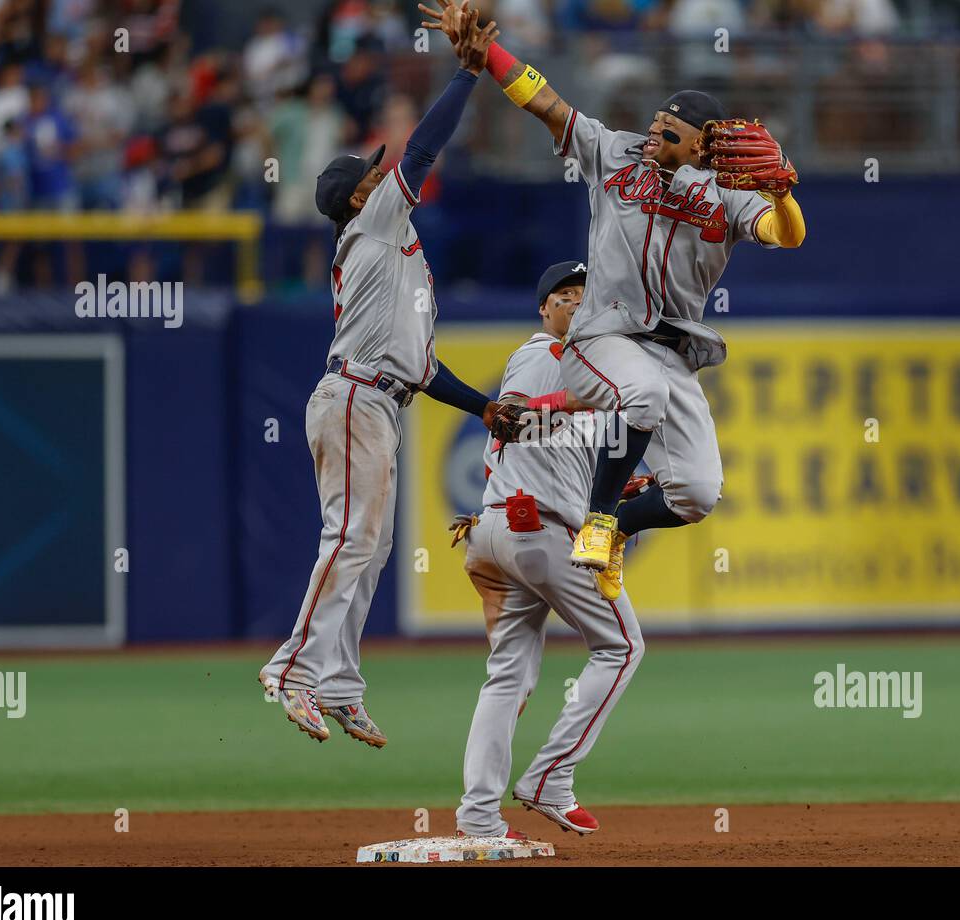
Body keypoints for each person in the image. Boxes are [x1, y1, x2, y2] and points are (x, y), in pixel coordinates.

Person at [422, 0, 807, 603]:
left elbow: (788, 235)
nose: (655, 132)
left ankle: (619, 526)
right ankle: (598, 519)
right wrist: (486, 54)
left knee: (698, 493)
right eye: (655, 121)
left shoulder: (728, 198)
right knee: (642, 394)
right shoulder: (614, 151)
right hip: (605, 337)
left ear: (703, 146)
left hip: (673, 354)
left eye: (669, 129)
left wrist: (782, 195)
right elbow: (543, 100)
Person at [259, 10, 520, 747]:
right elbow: (425, 149)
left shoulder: (394, 250)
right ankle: (291, 670)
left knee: (367, 547)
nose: (384, 172)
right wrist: (469, 71)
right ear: (355, 198)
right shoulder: (371, 224)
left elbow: (425, 369)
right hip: (353, 397)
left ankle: (338, 682)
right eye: (372, 173)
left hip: (380, 397)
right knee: (349, 538)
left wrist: (483, 409)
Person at [453, 260, 646, 839]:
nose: (575, 305)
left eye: (585, 298)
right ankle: (550, 780)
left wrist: (618, 485)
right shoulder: (545, 355)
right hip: (532, 532)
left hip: (501, 529)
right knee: (621, 647)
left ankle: (479, 818)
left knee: (508, 676)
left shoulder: (578, 379)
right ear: (544, 308)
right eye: (565, 296)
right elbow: (512, 421)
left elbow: (544, 445)